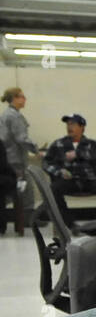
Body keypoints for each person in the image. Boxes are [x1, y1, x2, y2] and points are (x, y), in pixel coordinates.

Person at [43, 113, 96, 222]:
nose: (69, 127)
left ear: (82, 127)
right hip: (69, 180)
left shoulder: (93, 144)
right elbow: (46, 162)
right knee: (53, 189)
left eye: (73, 124)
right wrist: (60, 171)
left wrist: (79, 154)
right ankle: (67, 222)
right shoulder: (59, 144)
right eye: (68, 124)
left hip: (91, 179)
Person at [0, 87, 33, 235]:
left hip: (8, 158)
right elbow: (21, 138)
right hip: (15, 160)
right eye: (22, 96)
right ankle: (26, 220)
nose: (24, 99)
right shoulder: (14, 116)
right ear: (14, 98)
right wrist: (37, 149)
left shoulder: (7, 114)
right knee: (24, 191)